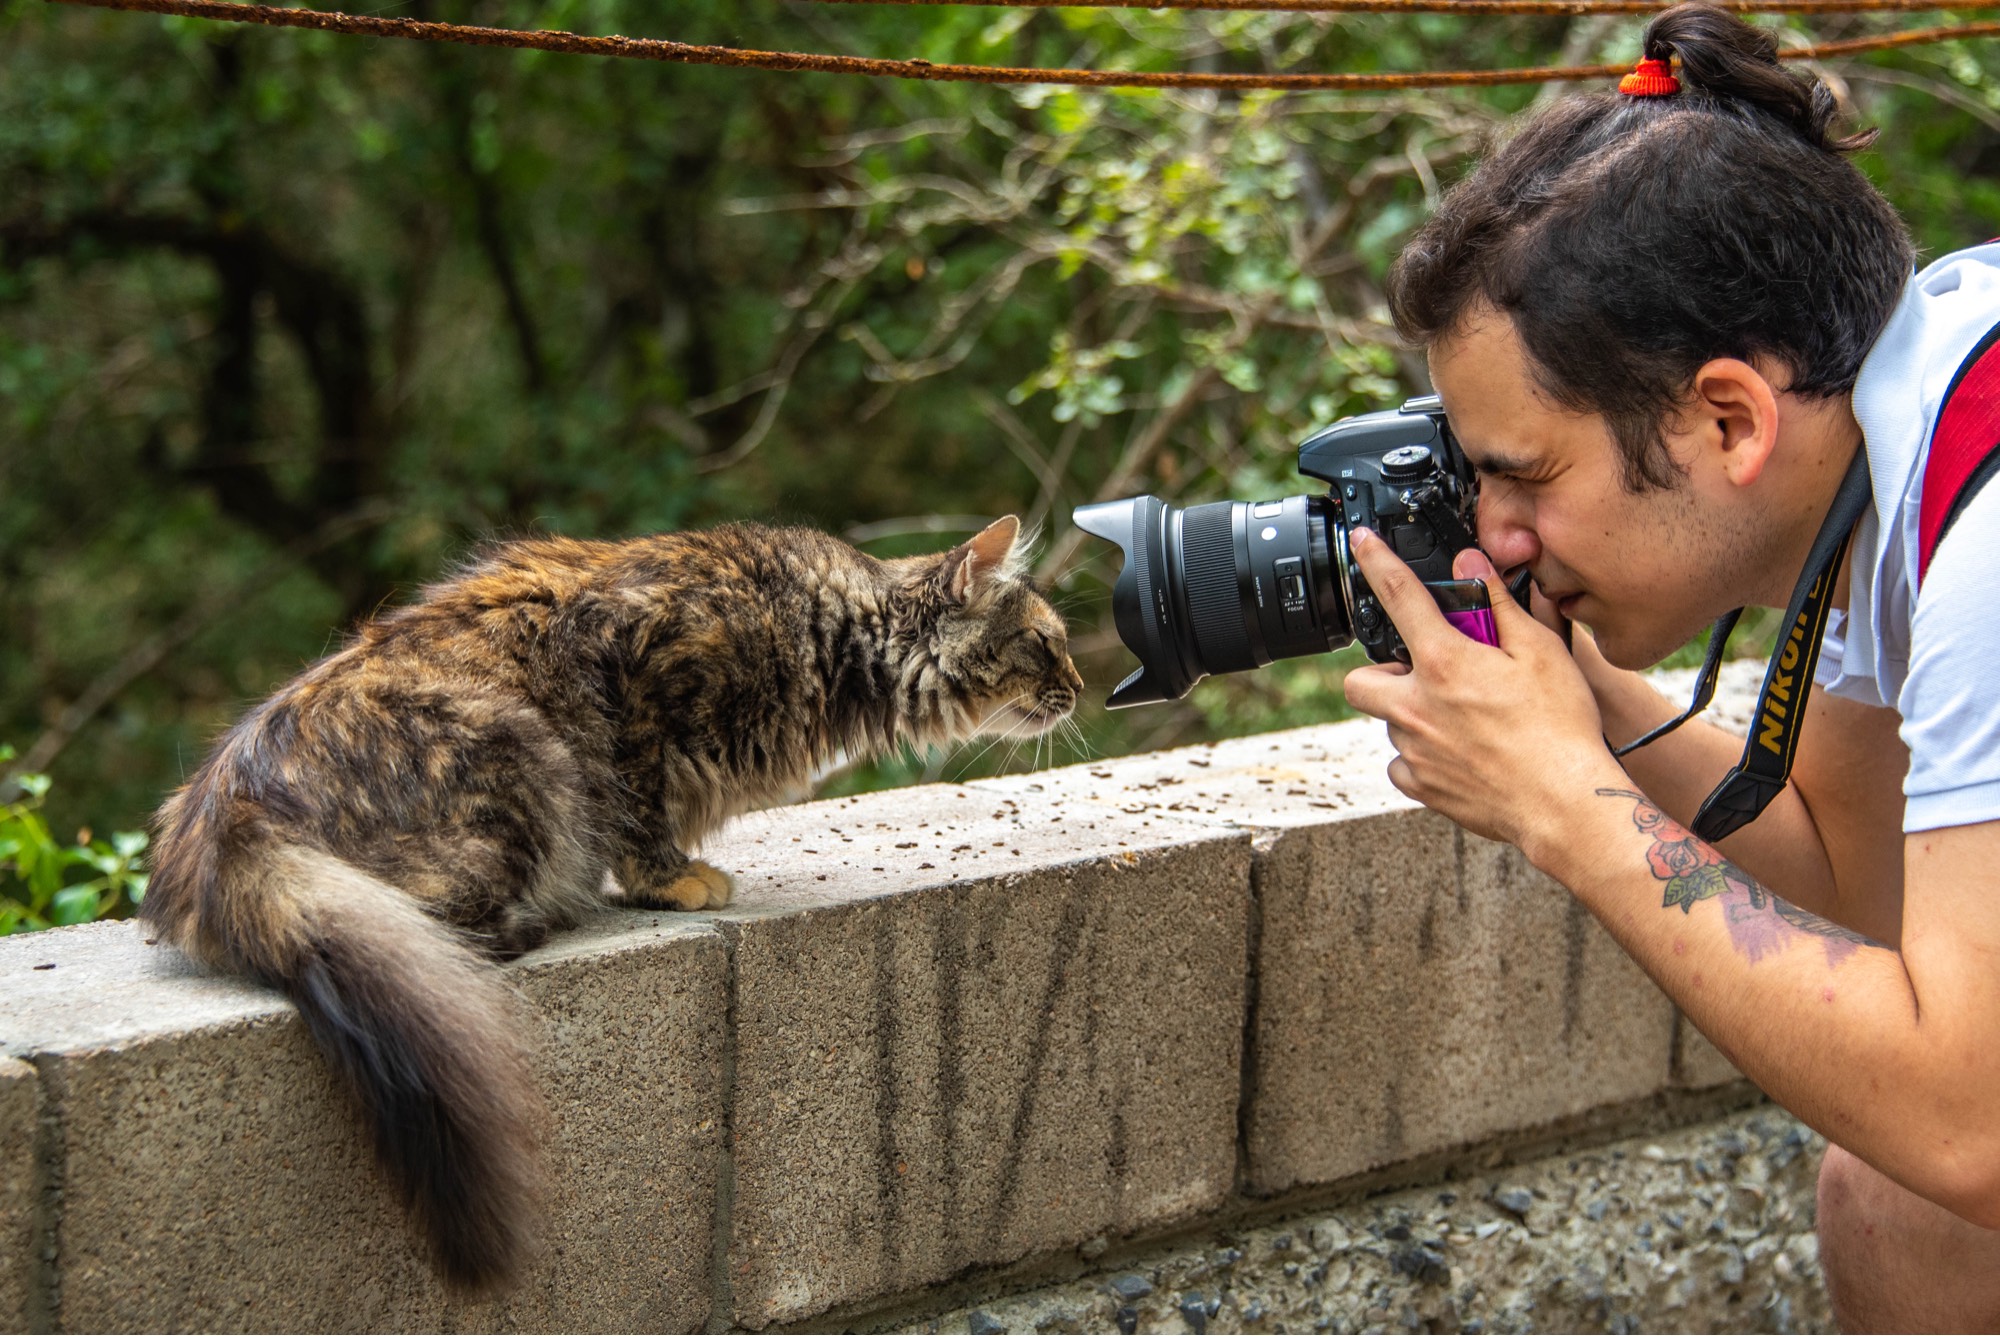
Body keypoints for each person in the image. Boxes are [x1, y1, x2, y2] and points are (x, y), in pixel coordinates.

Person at [1337, 4, 2000, 1329]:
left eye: (1523, 478)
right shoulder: (1908, 432)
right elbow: (1859, 882)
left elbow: (1970, 1120)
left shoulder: (1986, 532)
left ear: (1728, 418)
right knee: (1894, 1208)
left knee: (1924, 1189)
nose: (1497, 532)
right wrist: (1587, 706)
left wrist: (1570, 811)